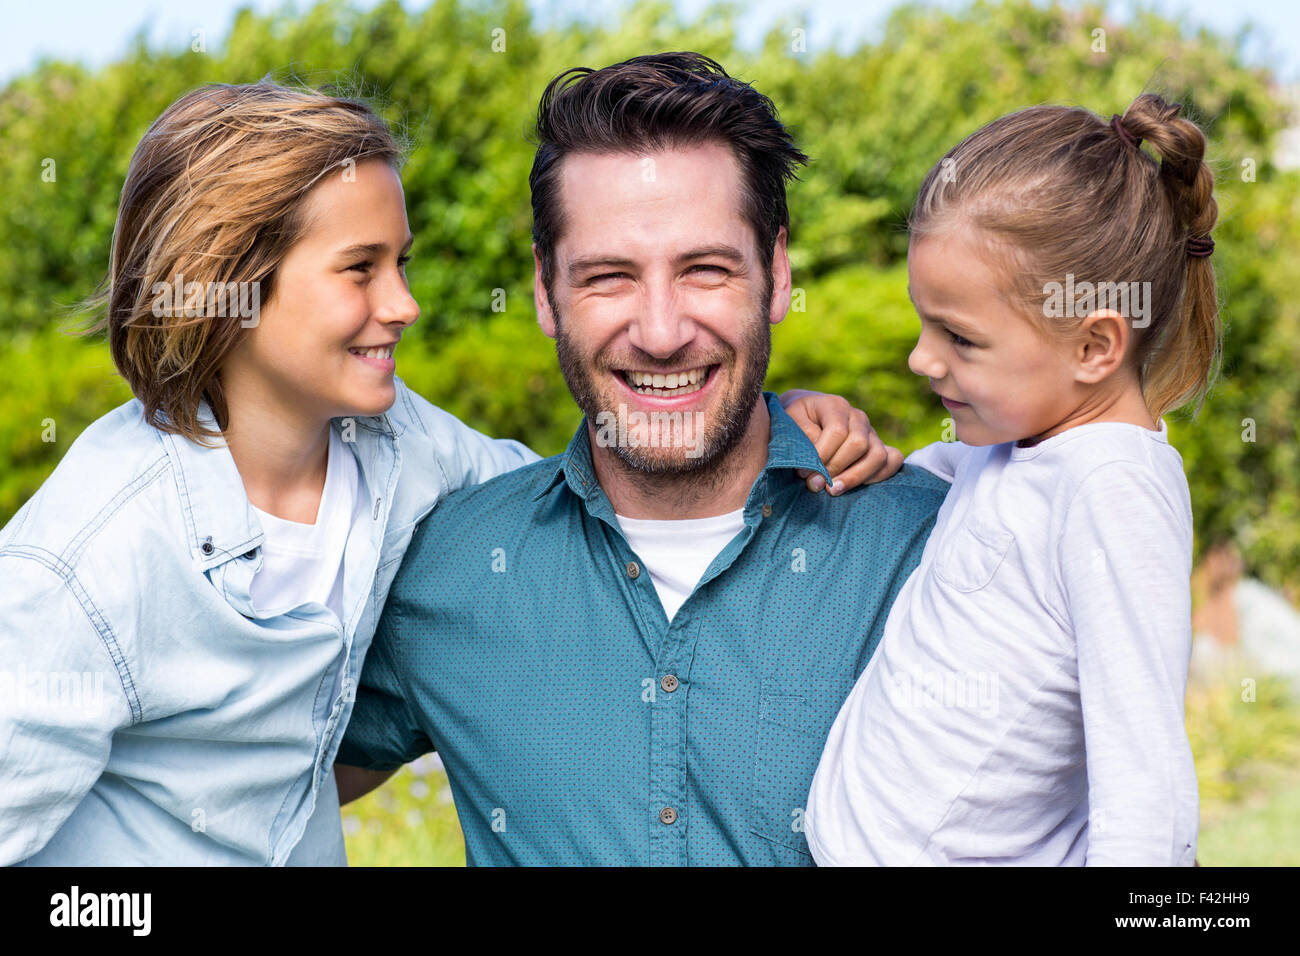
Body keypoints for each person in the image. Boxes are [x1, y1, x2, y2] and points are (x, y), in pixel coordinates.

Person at [0, 79, 886, 866]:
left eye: (402, 262)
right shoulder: (84, 564)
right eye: (360, 270)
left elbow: (597, 483)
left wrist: (781, 422)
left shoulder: (402, 448)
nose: (405, 306)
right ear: (230, 285)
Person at [332, 52, 950, 865]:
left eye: (705, 270)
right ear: (547, 292)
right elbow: (261, 781)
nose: (661, 332)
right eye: (609, 277)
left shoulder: (934, 553)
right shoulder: (446, 570)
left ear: (777, 273)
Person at [805, 93, 1220, 865]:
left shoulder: (1113, 491)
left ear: (1095, 345)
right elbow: (952, 487)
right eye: (924, 323)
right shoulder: (1018, 442)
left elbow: (1145, 779)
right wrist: (844, 441)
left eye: (960, 337)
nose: (921, 360)